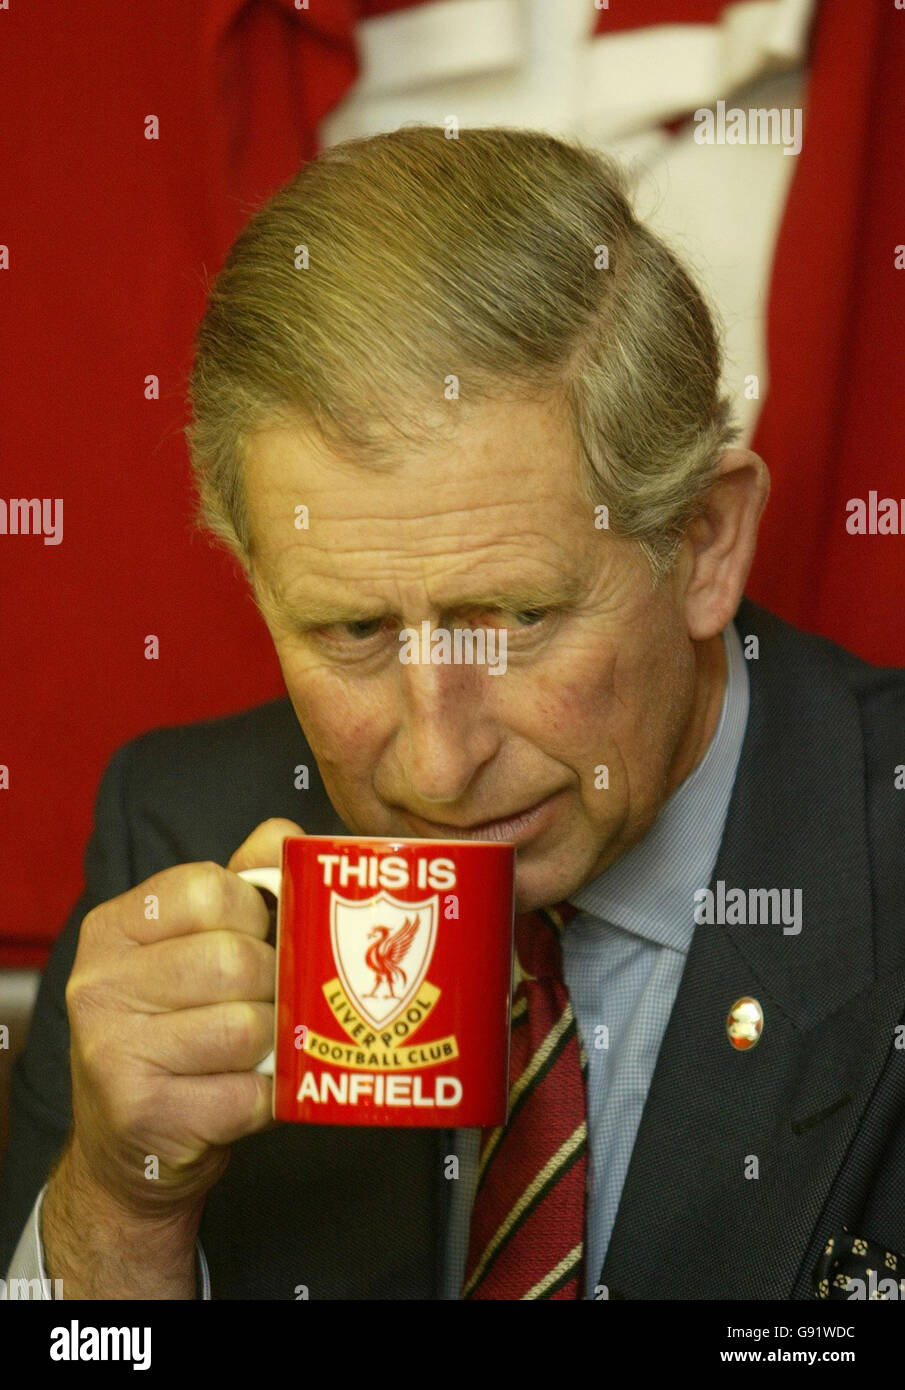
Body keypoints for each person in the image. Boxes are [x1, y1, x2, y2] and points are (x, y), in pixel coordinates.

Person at [2, 126, 904, 1301]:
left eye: (517, 617)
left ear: (700, 542)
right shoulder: (176, 832)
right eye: (351, 632)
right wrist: (118, 1210)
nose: (436, 764)